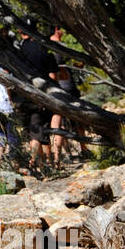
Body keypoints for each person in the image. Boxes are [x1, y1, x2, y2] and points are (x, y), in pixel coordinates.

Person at [16, 29, 59, 170]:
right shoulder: (43, 49)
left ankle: (40, 163)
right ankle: (40, 162)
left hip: (24, 96)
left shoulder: (18, 50)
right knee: (42, 133)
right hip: (43, 96)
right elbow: (53, 77)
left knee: (33, 132)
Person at [47, 27, 80, 166]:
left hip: (51, 88)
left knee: (58, 123)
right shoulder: (58, 47)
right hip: (65, 86)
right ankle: (58, 157)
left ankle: (61, 155)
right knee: (67, 121)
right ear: (56, 29)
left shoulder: (45, 46)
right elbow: (61, 71)